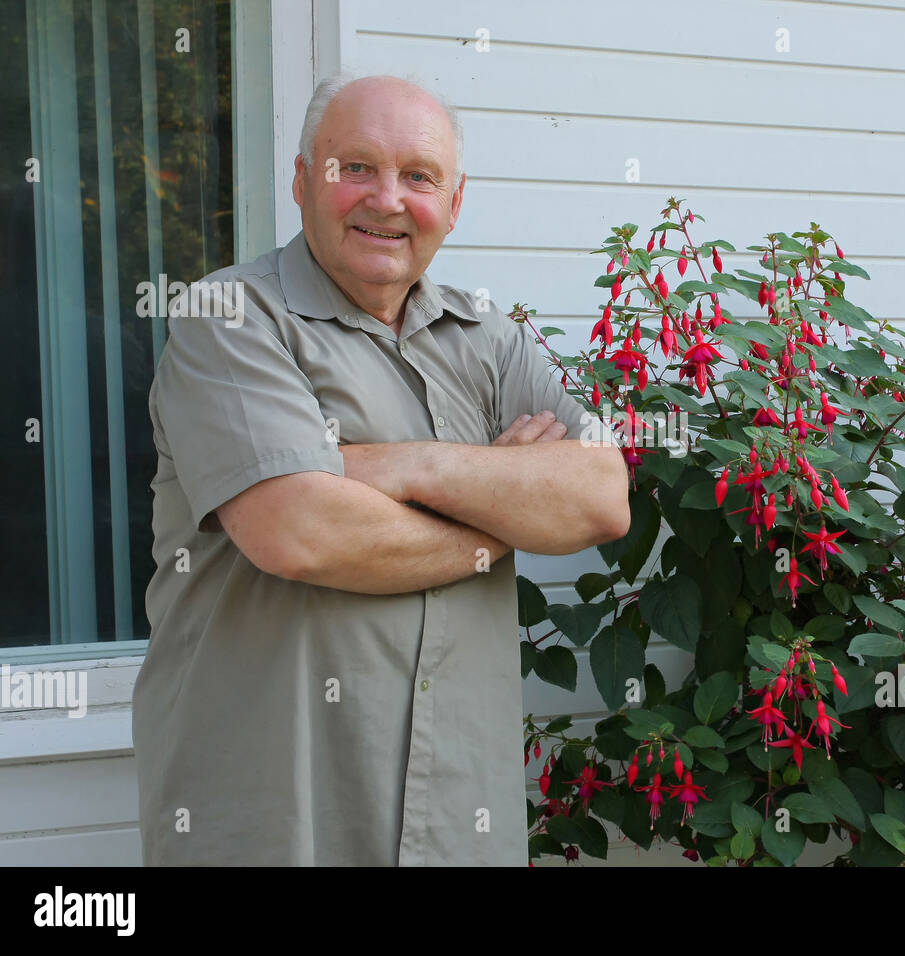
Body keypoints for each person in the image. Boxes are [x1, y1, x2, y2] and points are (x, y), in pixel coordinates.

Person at [132, 73, 630, 865]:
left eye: (418, 177)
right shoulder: (227, 318)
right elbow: (301, 532)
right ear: (302, 181)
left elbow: (603, 497)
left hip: (458, 817)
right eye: (354, 168)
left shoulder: (490, 339)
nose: (387, 199)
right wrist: (501, 504)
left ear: (455, 203)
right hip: (278, 819)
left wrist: (406, 466)